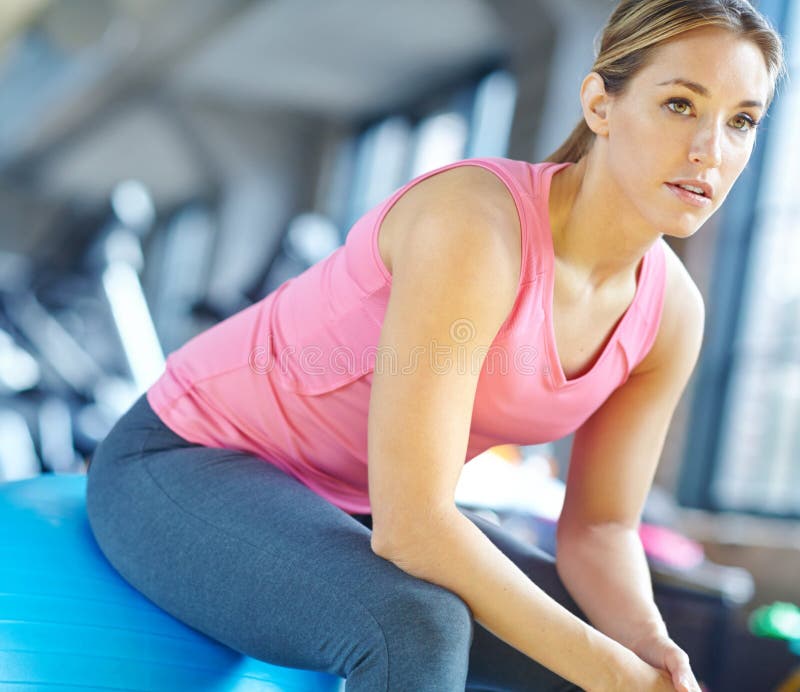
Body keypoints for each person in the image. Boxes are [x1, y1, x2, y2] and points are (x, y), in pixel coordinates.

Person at [85, 1, 785, 690]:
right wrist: (608, 674)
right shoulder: (476, 225)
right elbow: (413, 527)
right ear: (600, 106)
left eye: (742, 121)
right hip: (187, 459)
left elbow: (600, 530)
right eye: (680, 105)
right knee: (417, 627)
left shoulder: (671, 314)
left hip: (353, 503)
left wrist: (645, 650)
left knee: (600, 641)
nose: (709, 151)